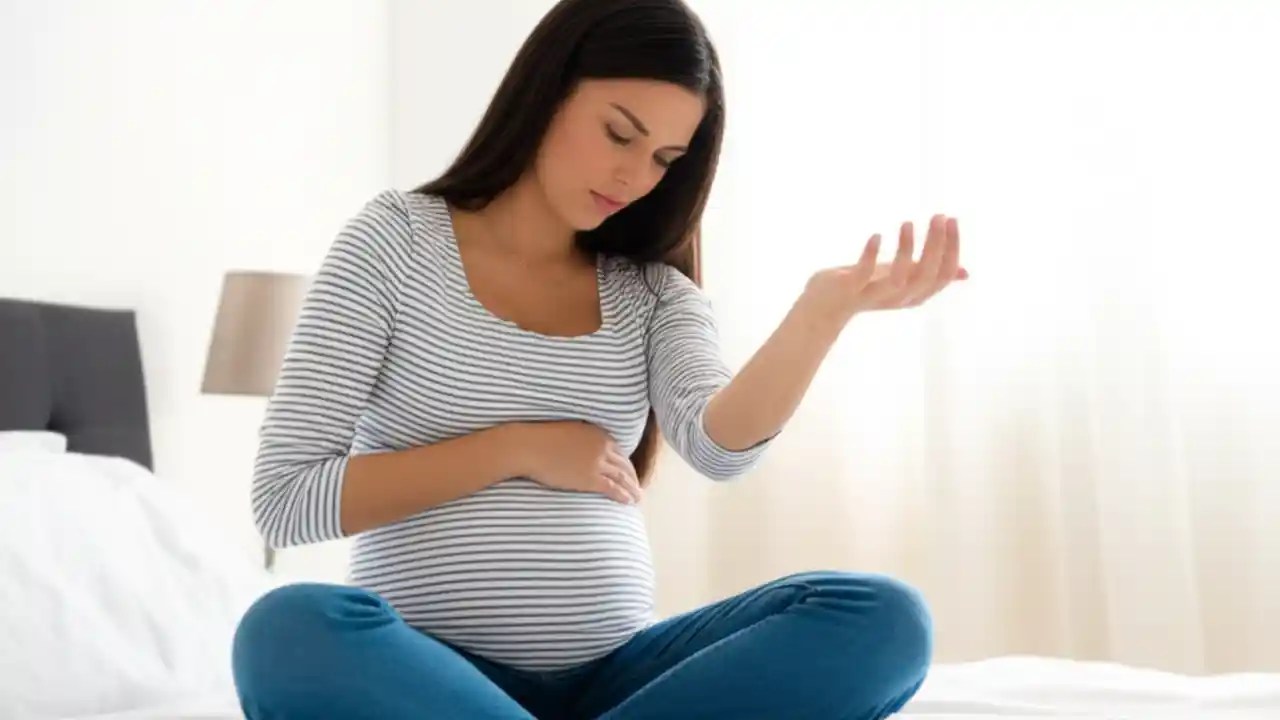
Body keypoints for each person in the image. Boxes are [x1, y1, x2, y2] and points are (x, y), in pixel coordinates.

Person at [230, 0, 966, 717]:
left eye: (663, 159)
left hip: (623, 682)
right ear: (548, 91)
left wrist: (821, 313)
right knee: (286, 630)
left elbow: (719, 447)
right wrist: (517, 449)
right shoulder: (394, 243)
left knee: (882, 618)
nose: (635, 178)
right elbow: (286, 499)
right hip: (428, 679)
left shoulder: (649, 289)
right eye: (619, 134)